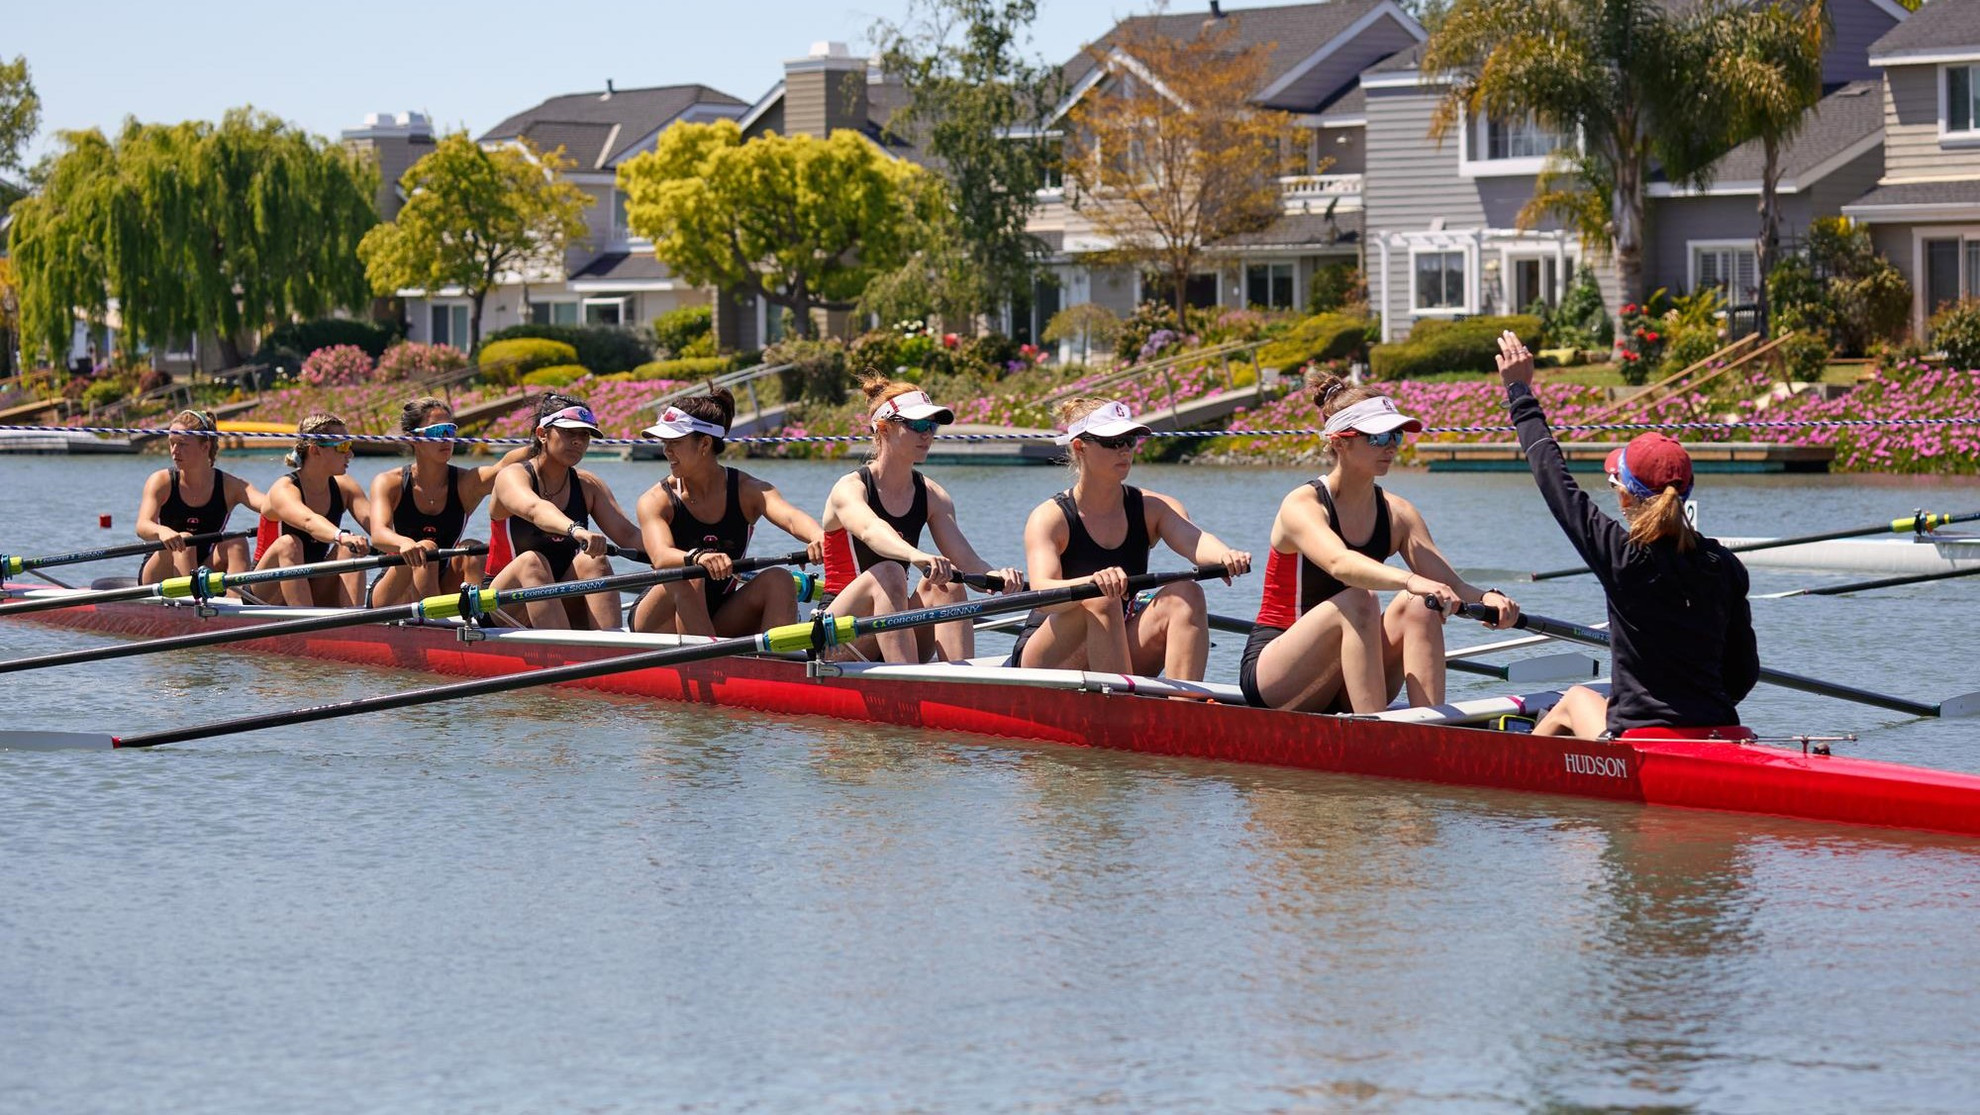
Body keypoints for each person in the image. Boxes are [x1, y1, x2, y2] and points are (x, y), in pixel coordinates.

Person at [1495, 331, 1758, 739]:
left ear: (1624, 498)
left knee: (1575, 699)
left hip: (1641, 737)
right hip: (1720, 729)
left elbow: (1554, 481)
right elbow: (1744, 673)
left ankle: (1514, 784)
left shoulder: (1623, 556)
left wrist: (1520, 392)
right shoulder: (1724, 565)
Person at [1240, 374, 1520, 713]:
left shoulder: (1399, 513)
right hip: (1278, 674)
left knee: (1422, 603)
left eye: (1396, 435)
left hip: (1351, 673)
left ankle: (1430, 730)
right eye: (1378, 437)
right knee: (1360, 599)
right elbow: (1340, 564)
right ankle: (1377, 736)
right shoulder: (1302, 505)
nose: (1390, 446)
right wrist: (1410, 579)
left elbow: (1453, 585)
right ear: (1340, 442)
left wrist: (1490, 598)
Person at [1010, 398, 1250, 680]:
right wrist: (1093, 583)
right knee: (1101, 596)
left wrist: (1225, 555)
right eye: (1113, 441)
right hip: (1046, 656)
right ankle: (1123, 710)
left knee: (1188, 593)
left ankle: (1184, 712)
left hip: (1115, 642)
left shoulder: (1149, 509)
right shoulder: (1051, 517)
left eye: (1130, 440)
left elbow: (1194, 540)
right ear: (1079, 446)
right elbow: (1044, 595)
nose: (1124, 450)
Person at [818, 374, 1023, 663]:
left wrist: (998, 578)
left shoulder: (932, 495)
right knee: (889, 572)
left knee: (948, 581)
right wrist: (915, 556)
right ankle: (910, 688)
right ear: (883, 428)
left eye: (932, 425)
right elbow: (871, 531)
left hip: (892, 627)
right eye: (916, 425)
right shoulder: (849, 488)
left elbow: (969, 564)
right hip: (839, 636)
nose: (927, 434)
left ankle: (961, 685)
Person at [630, 389, 826, 636]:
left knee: (779, 579)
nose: (666, 451)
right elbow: (660, 556)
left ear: (704, 444)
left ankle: (776, 665)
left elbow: (790, 517)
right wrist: (697, 558)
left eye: (675, 443)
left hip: (720, 613)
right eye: (665, 443)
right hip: (659, 617)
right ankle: (710, 665)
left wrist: (818, 536)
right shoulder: (655, 500)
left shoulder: (748, 490)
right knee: (688, 574)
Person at [486, 393, 643, 629]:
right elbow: (535, 509)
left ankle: (613, 651)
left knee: (595, 561)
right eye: (569, 432)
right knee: (532, 562)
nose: (578, 441)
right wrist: (576, 530)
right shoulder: (512, 476)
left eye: (584, 434)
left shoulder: (588, 485)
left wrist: (685, 554)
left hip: (558, 596)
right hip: (502, 605)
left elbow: (629, 535)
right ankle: (564, 656)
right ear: (542, 434)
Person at [367, 396, 531, 607]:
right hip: (393, 589)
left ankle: (475, 623)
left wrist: (540, 439)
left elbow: (502, 467)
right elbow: (378, 535)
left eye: (450, 430)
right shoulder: (389, 482)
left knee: (472, 549)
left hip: (441, 579)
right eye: (436, 431)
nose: (445, 438)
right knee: (427, 548)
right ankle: (434, 628)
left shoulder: (465, 484)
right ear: (413, 439)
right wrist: (405, 543)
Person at [135, 409, 265, 586]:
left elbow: (270, 506)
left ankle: (236, 607)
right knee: (185, 540)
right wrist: (162, 531)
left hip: (203, 566)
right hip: (159, 571)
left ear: (205, 447)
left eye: (182, 444)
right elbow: (142, 526)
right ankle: (191, 605)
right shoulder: (161, 481)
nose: (174, 451)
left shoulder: (230, 486)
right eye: (171, 443)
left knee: (236, 541)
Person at [255, 413, 373, 607]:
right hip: (264, 591)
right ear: (315, 450)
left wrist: (402, 543)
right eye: (342, 446)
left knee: (349, 548)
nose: (350, 454)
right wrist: (341, 535)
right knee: (289, 544)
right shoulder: (284, 489)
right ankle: (306, 632)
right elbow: (309, 521)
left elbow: (378, 527)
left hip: (311, 585)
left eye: (349, 446)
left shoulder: (346, 487)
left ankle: (356, 625)